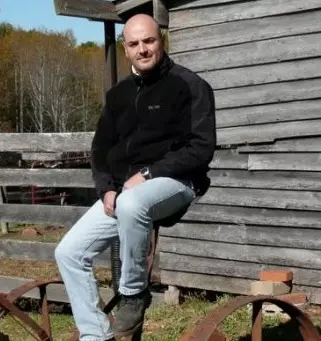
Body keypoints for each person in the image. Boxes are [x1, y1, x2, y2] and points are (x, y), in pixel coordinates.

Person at [55, 13, 216, 341]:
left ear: (161, 41)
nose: (143, 49)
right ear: (125, 49)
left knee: (131, 204)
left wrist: (149, 173)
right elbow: (100, 149)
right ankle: (95, 336)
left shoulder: (190, 86)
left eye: (149, 40)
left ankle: (132, 295)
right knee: (68, 252)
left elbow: (201, 148)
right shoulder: (118, 95)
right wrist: (106, 190)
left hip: (177, 182)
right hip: (126, 195)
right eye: (134, 44)